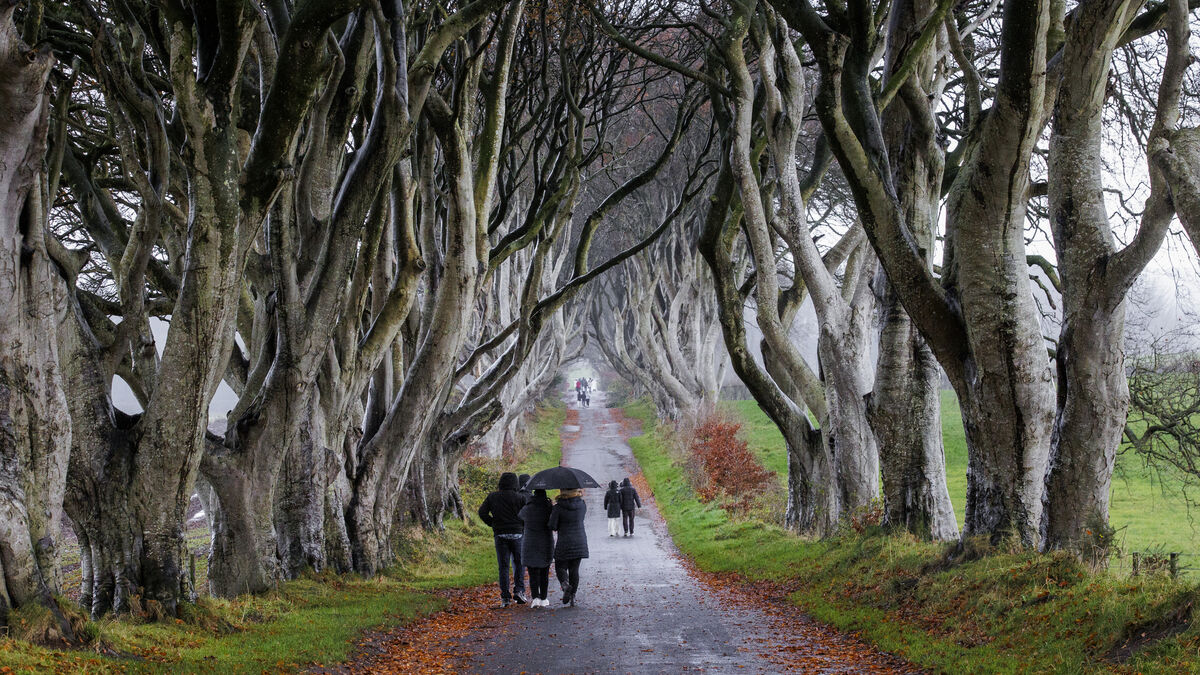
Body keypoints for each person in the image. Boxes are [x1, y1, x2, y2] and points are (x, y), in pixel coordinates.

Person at [477, 472, 527, 606]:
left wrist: (492, 523)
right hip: (517, 534)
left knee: (503, 566)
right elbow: (526, 514)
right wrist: (521, 525)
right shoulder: (520, 498)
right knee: (519, 563)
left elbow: (482, 512)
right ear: (515, 484)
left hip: (500, 534)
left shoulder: (493, 497)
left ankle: (505, 596)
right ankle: (519, 591)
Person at [548, 488, 588, 606]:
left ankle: (565, 585)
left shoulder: (558, 507)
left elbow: (553, 526)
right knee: (574, 570)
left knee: (560, 567)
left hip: (564, 541)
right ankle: (572, 597)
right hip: (580, 540)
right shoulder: (582, 504)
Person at [519, 488, 554, 608]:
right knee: (544, 571)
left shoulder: (528, 507)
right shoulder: (549, 508)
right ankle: (544, 598)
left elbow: (520, 517)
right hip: (546, 541)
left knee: (533, 572)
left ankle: (535, 598)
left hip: (530, 542)